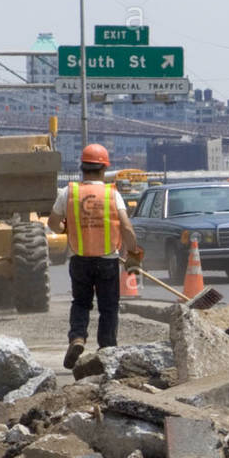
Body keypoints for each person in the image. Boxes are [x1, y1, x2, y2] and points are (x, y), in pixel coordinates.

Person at [47, 143, 141, 369]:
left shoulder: (69, 192)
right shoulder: (112, 194)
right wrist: (134, 256)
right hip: (108, 260)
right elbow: (127, 228)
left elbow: (52, 222)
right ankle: (107, 350)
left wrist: (65, 230)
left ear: (82, 168)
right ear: (103, 169)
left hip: (79, 259)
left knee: (80, 303)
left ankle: (77, 338)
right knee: (108, 307)